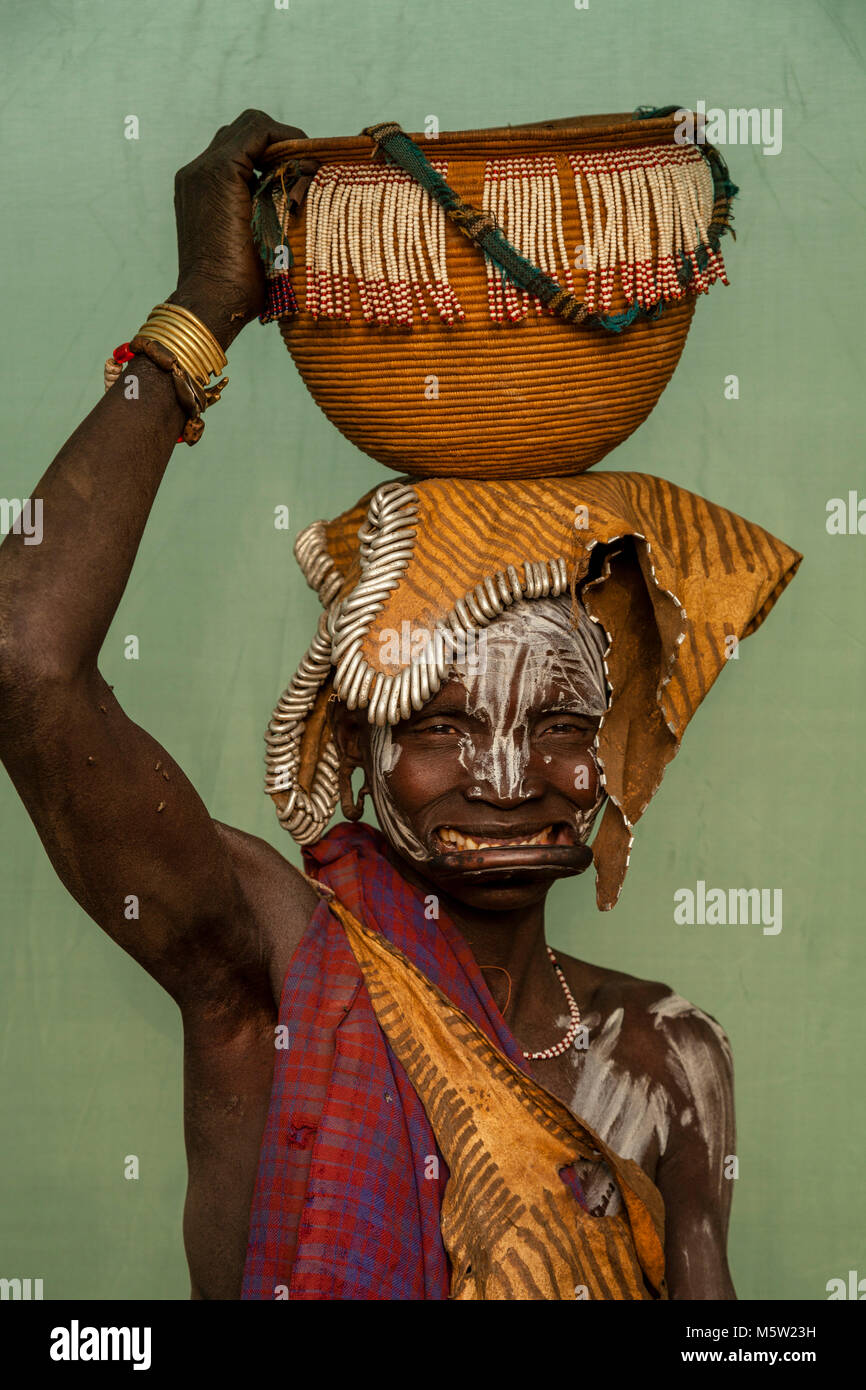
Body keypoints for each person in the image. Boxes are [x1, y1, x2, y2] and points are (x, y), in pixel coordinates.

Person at [1, 110, 793, 1301]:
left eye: (564, 723)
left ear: (618, 745)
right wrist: (201, 310)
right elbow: (22, 658)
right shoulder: (271, 970)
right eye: (437, 723)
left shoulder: (665, 1052)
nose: (509, 772)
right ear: (353, 747)